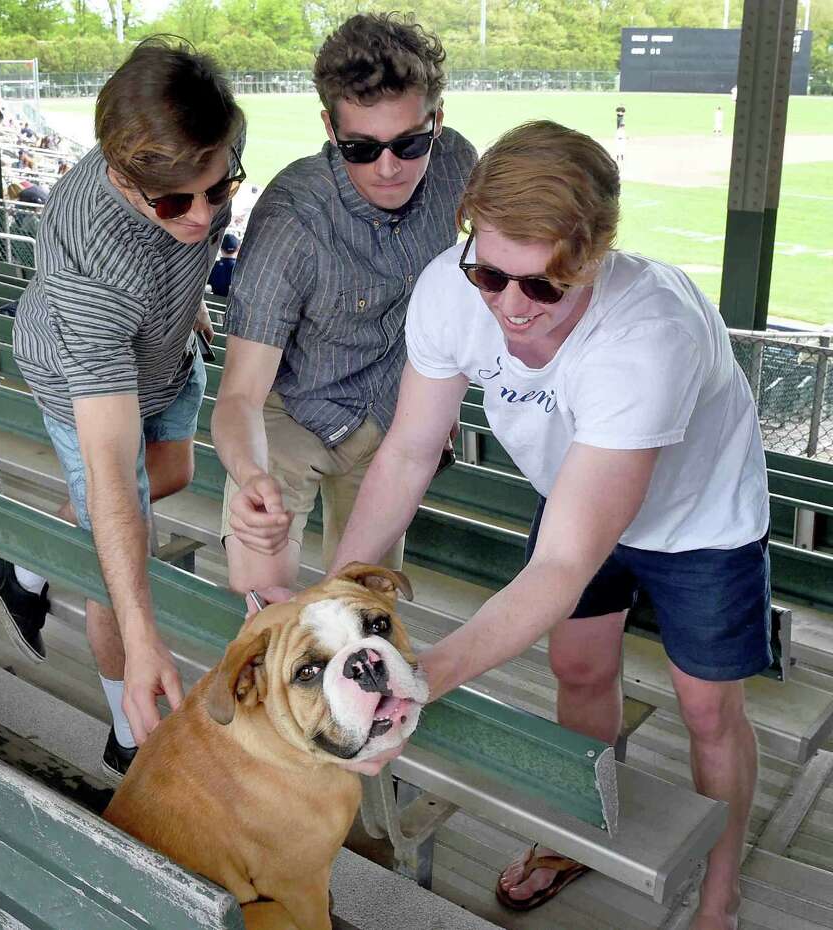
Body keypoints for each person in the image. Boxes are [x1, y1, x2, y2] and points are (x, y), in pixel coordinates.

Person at [330, 120, 769, 930]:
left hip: (700, 518)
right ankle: (579, 834)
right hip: (577, 489)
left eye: (542, 287)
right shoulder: (449, 287)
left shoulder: (649, 336)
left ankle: (719, 891)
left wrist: (419, 680)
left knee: (709, 710)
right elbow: (408, 453)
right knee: (578, 667)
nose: (509, 307)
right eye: (491, 274)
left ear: (596, 257)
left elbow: (563, 564)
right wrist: (333, 602)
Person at [10, 38, 244, 776]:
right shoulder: (87, 254)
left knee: (169, 476)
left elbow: (196, 217)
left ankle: (20, 561)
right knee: (121, 542)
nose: (203, 217)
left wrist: (185, 298)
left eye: (220, 190)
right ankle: (129, 736)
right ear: (120, 173)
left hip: (167, 346)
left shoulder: (210, 142)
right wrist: (147, 640)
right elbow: (111, 468)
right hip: (78, 372)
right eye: (175, 203)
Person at [214, 13, 475, 599]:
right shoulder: (292, 217)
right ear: (330, 128)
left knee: (366, 608)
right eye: (361, 147)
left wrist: (443, 396)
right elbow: (239, 396)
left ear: (438, 120)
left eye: (410, 143)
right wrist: (250, 475)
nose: (388, 167)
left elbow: (475, 282)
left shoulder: (458, 163)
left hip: (390, 421)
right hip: (292, 417)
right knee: (266, 608)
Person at [207, 232, 239, 297]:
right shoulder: (240, 268)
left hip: (214, 301)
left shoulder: (213, 266)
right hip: (232, 302)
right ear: (238, 249)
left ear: (220, 249)